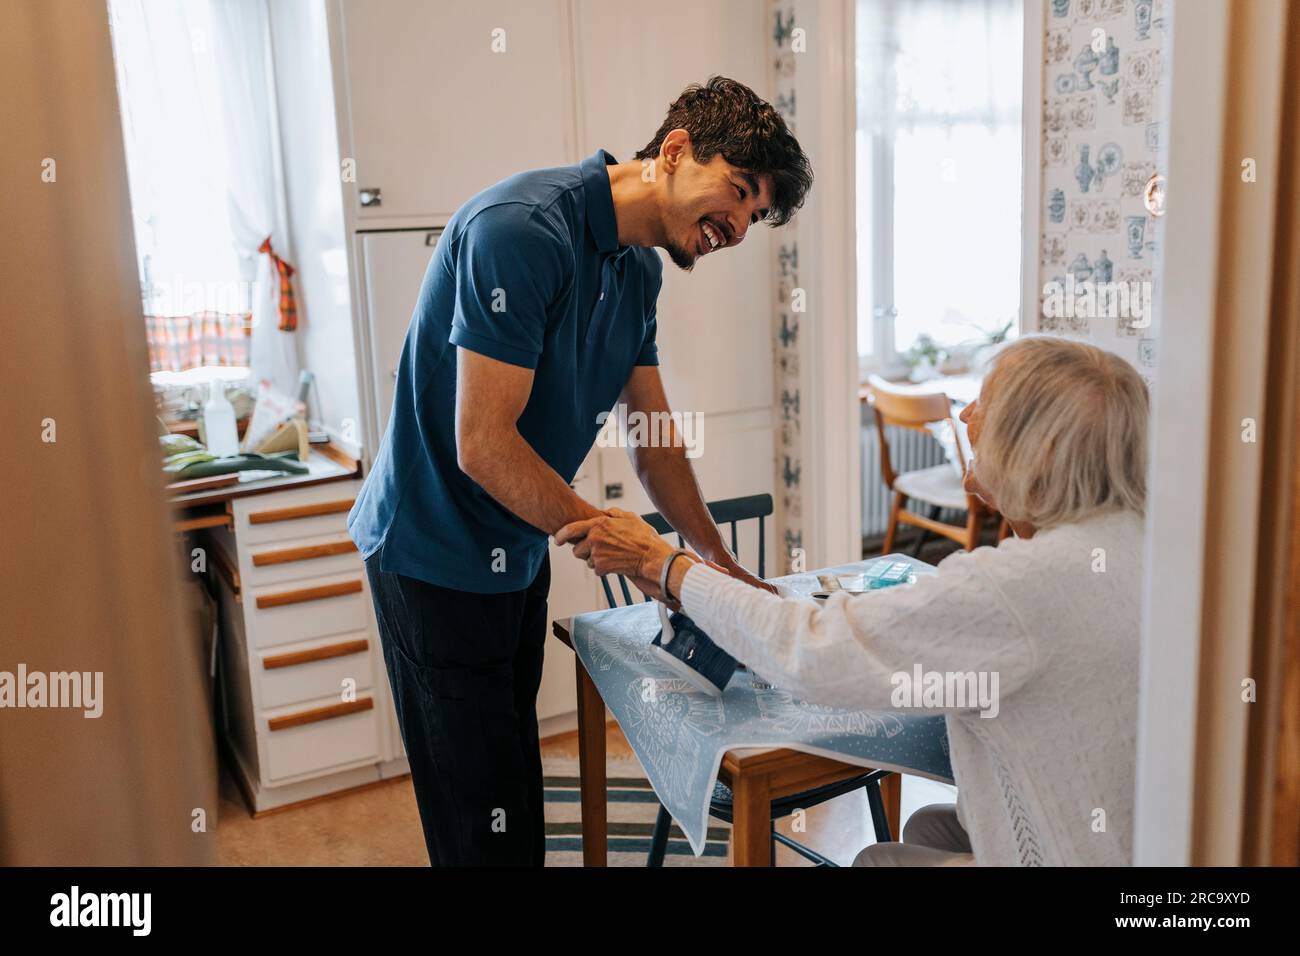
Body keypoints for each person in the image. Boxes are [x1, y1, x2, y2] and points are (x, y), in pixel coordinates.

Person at [348, 77, 812, 866]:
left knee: (511, 780)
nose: (737, 227)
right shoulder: (523, 232)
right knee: (476, 808)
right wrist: (632, 551)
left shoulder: (639, 270)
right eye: (737, 193)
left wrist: (712, 562)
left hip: (514, 546)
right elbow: (483, 444)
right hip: (431, 552)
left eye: (754, 216)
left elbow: (654, 435)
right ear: (673, 152)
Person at [557, 336, 1150, 866]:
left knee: (876, 861)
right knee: (929, 824)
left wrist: (664, 564)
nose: (966, 415)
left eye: (984, 405)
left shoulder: (1019, 586)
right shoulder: (1145, 544)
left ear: (1039, 454)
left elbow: (812, 651)